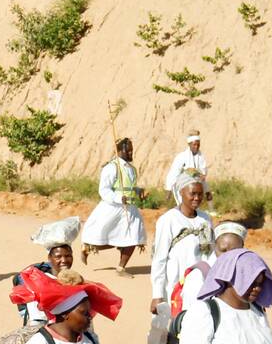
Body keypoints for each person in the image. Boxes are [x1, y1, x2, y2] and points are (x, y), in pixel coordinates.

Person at [149, 172, 214, 316]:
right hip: (175, 284)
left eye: (200, 194)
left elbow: (211, 253)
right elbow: (159, 259)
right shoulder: (169, 220)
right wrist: (157, 294)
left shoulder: (205, 219)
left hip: (200, 284)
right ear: (181, 193)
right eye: (192, 193)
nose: (197, 198)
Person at [82, 137, 146, 275]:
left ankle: (121, 268)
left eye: (131, 150)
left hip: (130, 208)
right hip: (113, 207)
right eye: (127, 150)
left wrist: (138, 191)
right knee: (107, 236)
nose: (130, 153)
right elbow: (104, 190)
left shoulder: (132, 169)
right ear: (119, 151)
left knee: (134, 237)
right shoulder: (112, 167)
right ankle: (89, 247)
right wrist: (118, 198)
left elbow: (130, 187)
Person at [16, 220, 78, 326]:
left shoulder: (75, 280)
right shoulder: (39, 283)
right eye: (58, 257)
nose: (64, 260)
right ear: (49, 258)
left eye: (68, 256)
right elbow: (36, 323)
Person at [163, 130, 209, 202]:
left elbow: (202, 177)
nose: (196, 147)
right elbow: (173, 174)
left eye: (198, 145)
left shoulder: (201, 158)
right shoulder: (181, 157)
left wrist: (207, 191)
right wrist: (169, 189)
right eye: (194, 145)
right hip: (181, 187)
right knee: (184, 208)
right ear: (189, 144)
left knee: (193, 209)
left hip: (195, 188)